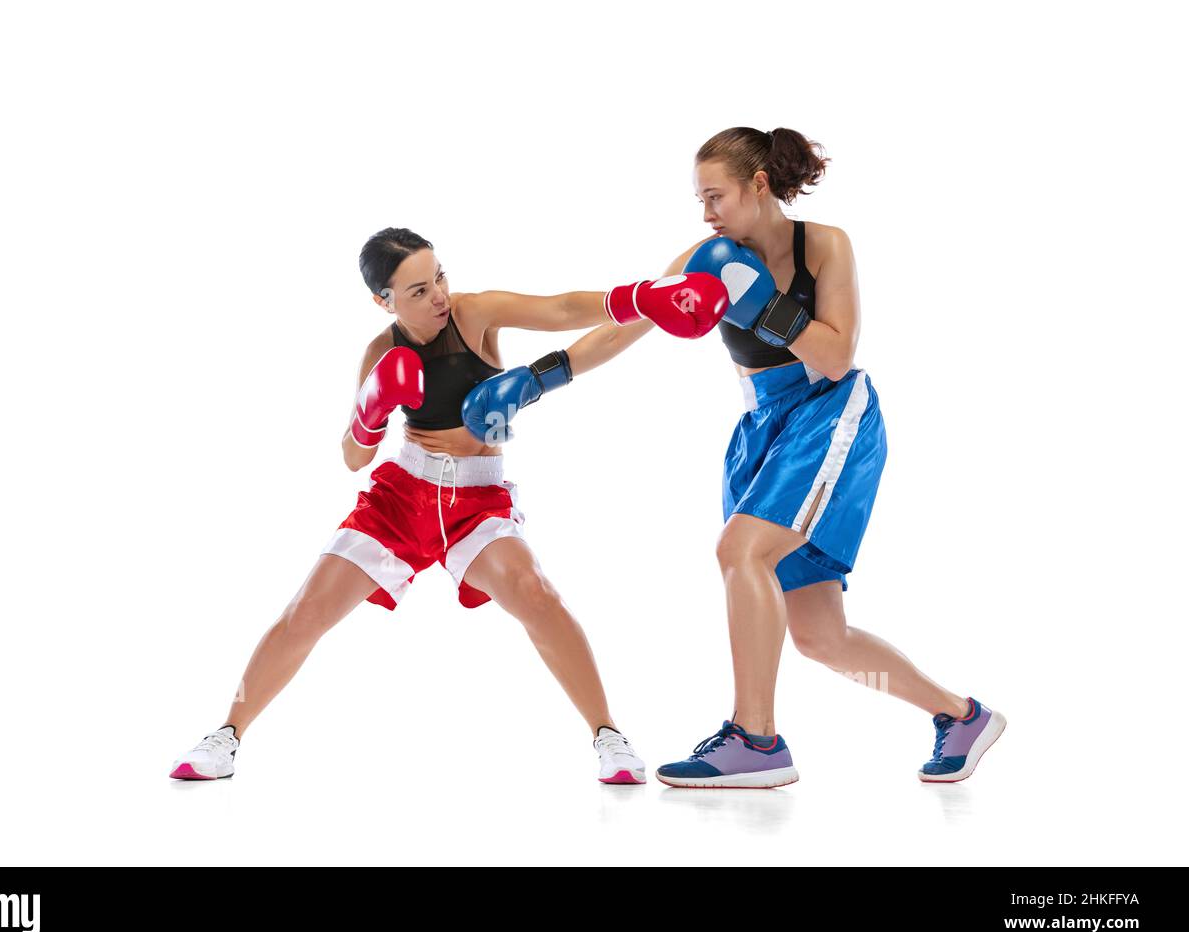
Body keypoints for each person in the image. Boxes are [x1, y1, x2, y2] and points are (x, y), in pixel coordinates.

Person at [464, 128, 1006, 787]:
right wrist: (539, 377)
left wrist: (764, 307)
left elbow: (835, 355)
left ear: (758, 186)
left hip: (830, 413)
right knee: (819, 636)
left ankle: (757, 740)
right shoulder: (705, 256)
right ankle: (962, 715)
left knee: (739, 552)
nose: (706, 213)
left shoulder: (826, 246)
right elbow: (629, 324)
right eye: (699, 199)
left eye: (715, 196)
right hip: (761, 424)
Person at [168, 227, 722, 785]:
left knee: (537, 595)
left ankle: (609, 736)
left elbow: (560, 308)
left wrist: (637, 298)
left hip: (475, 500)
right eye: (416, 291)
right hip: (402, 496)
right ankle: (226, 736)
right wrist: (371, 410)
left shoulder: (472, 314)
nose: (437, 296)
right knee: (307, 611)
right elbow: (353, 457)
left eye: (439, 277)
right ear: (382, 301)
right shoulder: (381, 351)